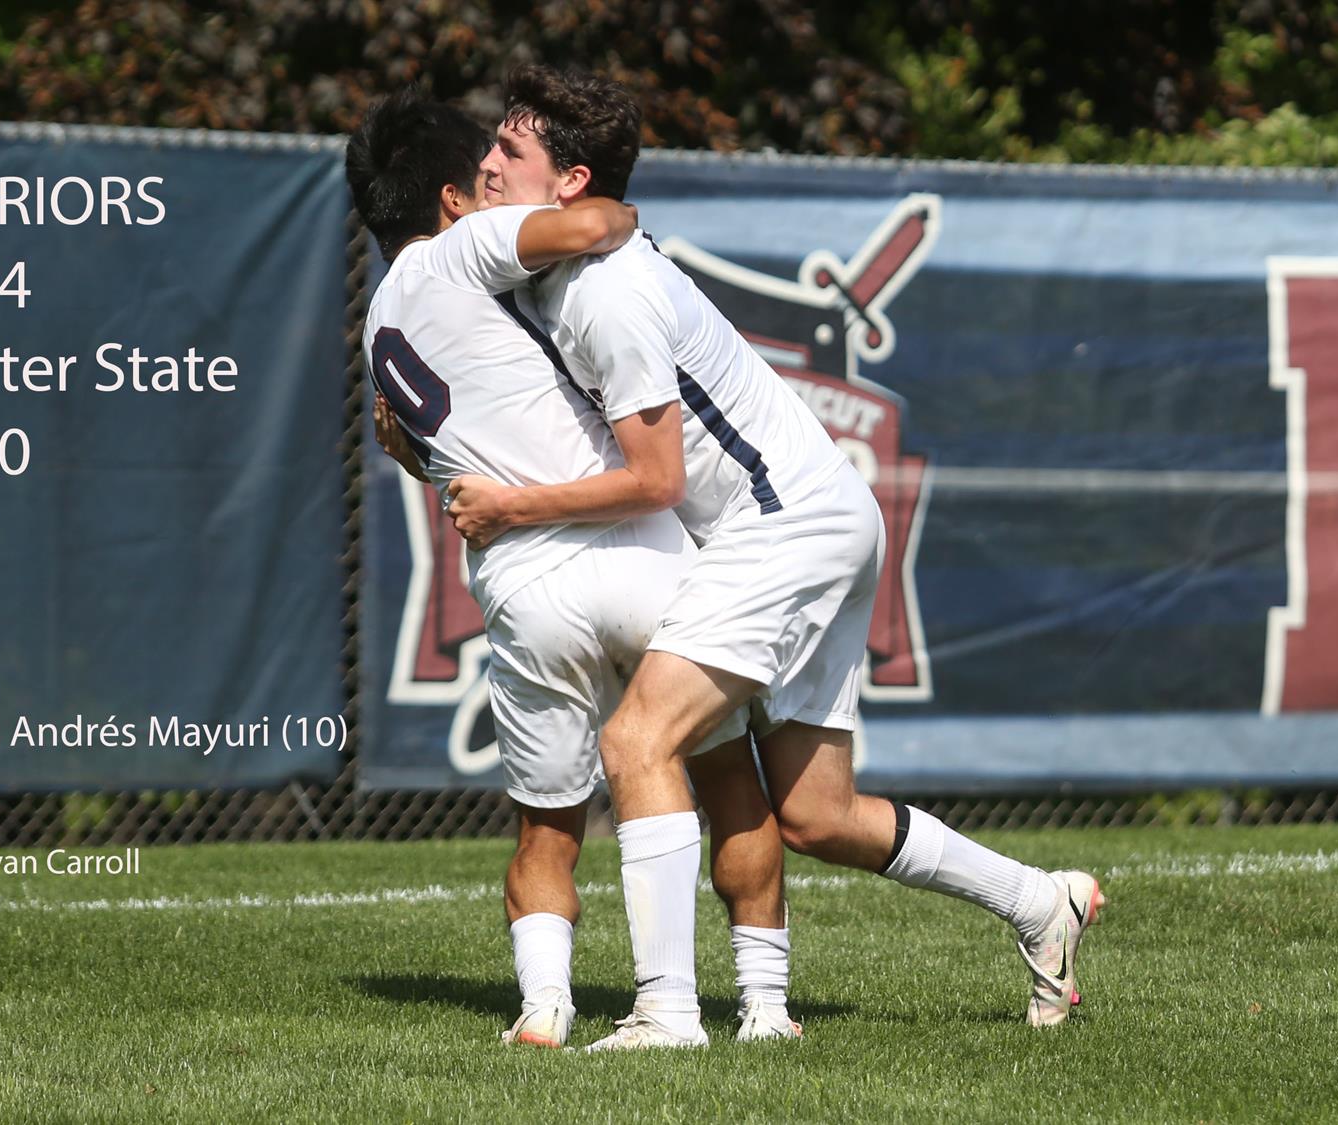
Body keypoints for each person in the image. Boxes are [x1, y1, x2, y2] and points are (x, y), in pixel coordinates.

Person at [445, 66, 1105, 1046]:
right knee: (817, 813)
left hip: (781, 528)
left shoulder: (600, 294)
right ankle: (1037, 901)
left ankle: (665, 1015)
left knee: (635, 743)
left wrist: (510, 504)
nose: (487, 164)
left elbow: (655, 480)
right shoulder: (563, 266)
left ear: (572, 181)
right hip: (823, 513)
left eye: (509, 151)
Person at [345, 89, 800, 1049]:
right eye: (481, 176)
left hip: (523, 589)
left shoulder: (380, 329)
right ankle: (755, 1004)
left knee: (544, 827)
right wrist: (611, 207)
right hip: (630, 552)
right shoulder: (464, 247)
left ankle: (543, 1009)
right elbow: (596, 222)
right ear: (449, 199)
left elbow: (423, 460)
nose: (494, 185)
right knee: (722, 775)